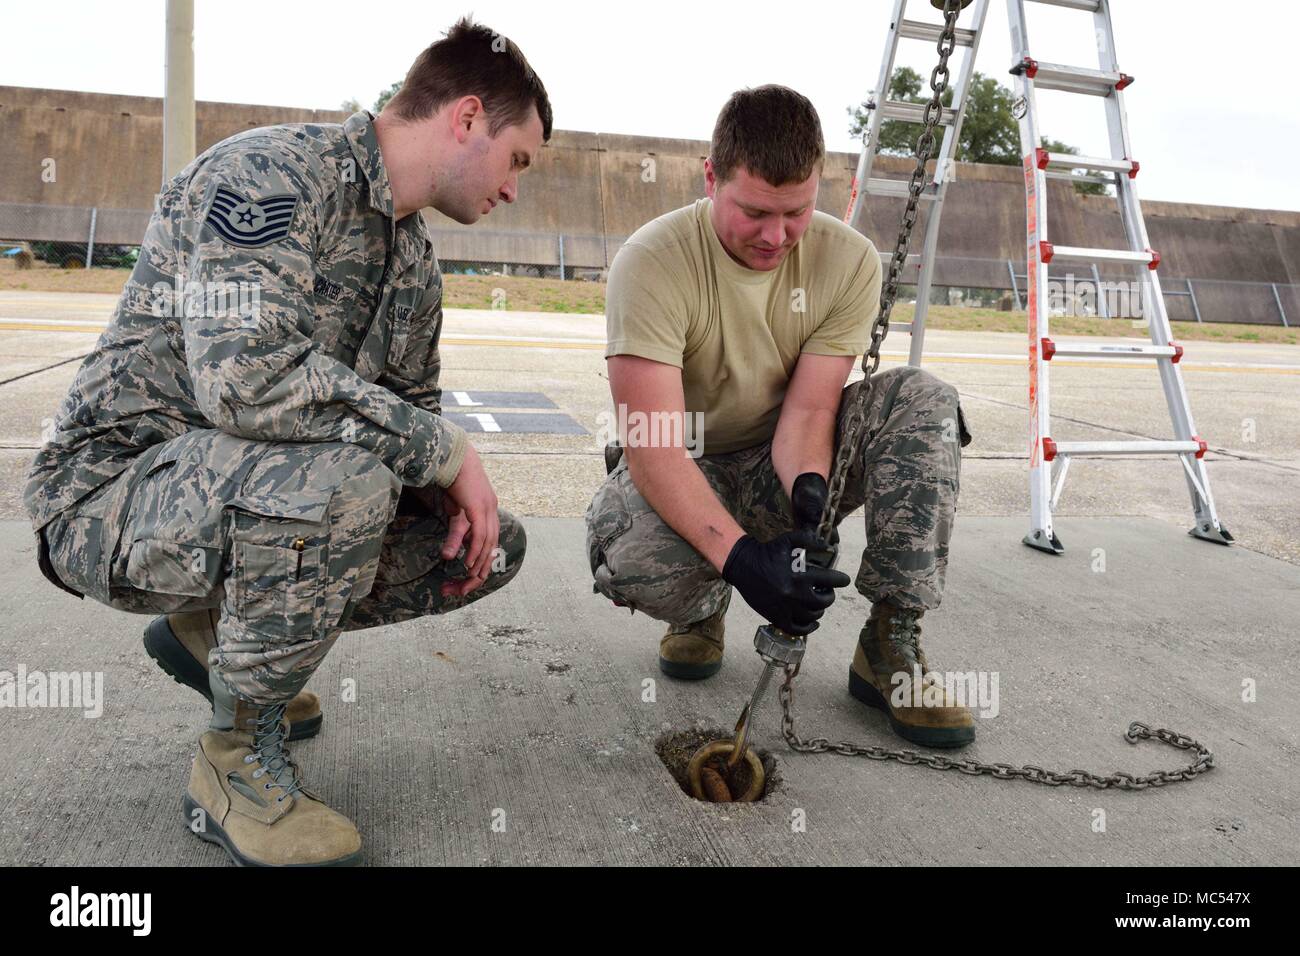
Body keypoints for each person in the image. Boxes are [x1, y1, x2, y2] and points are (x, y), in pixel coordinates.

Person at [26, 16, 550, 866]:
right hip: (110, 496)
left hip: (231, 494)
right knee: (344, 482)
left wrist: (449, 486)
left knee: (478, 542)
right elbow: (248, 377)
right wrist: (448, 451)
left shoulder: (411, 260)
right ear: (464, 118)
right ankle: (233, 762)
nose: (515, 189)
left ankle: (221, 643)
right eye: (517, 158)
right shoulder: (272, 177)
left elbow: (405, 412)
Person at [585, 85, 976, 749]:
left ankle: (890, 645)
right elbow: (652, 446)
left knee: (923, 400)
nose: (775, 236)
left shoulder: (847, 260)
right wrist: (742, 563)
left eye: (795, 213)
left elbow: (813, 409)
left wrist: (808, 498)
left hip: (777, 459)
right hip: (690, 463)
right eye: (755, 212)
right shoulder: (652, 261)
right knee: (633, 561)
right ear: (712, 178)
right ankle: (704, 605)